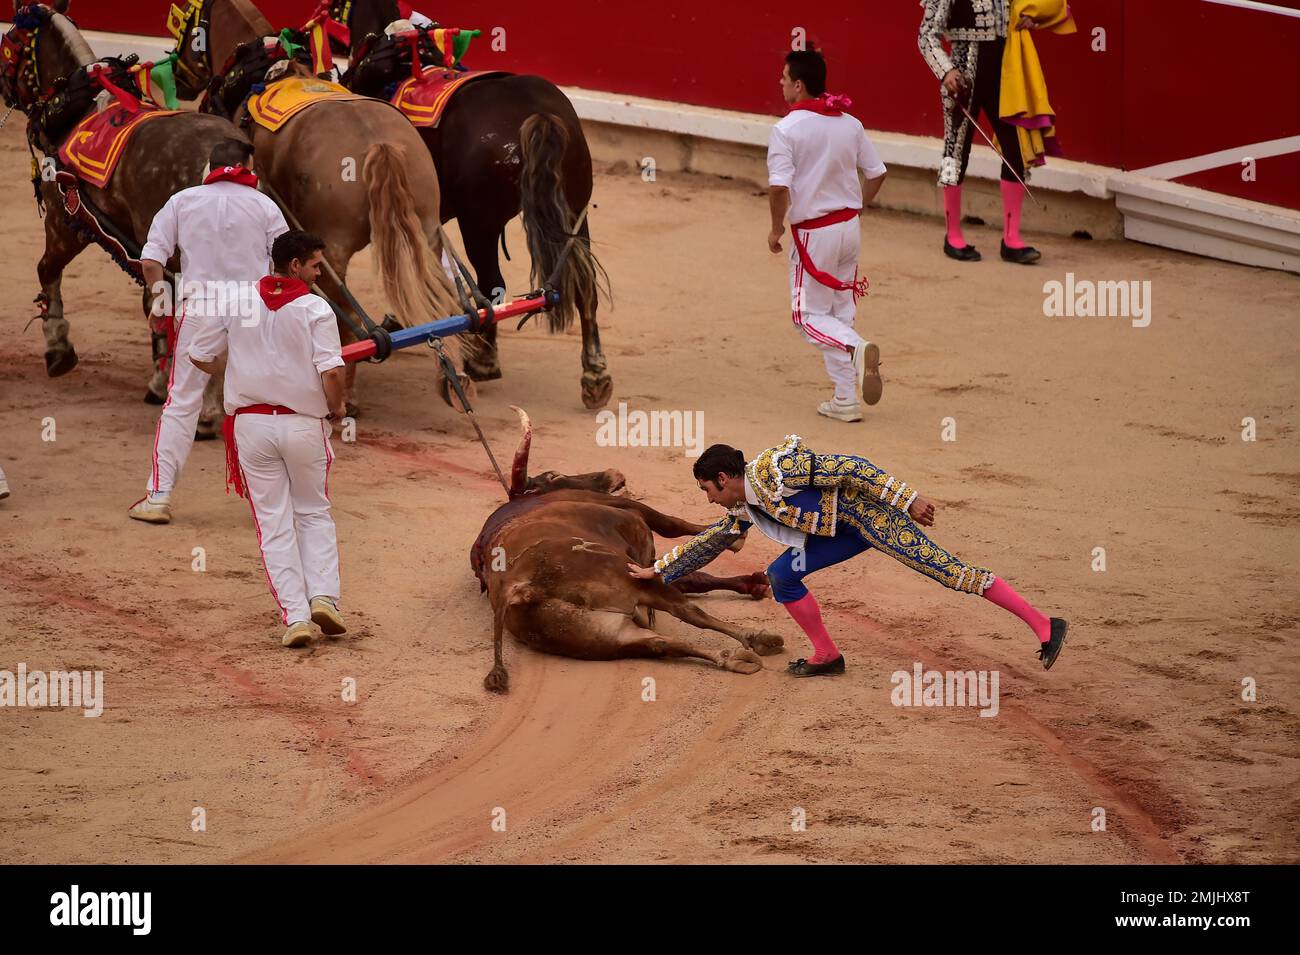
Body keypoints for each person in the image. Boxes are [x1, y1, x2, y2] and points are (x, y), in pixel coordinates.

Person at [628, 438, 1067, 677]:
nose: (708, 499)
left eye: (707, 489)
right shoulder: (743, 505)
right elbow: (709, 542)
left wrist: (907, 498)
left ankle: (1045, 625)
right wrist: (658, 571)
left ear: (722, 478)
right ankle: (826, 655)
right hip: (838, 534)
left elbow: (852, 466)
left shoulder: (777, 470)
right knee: (783, 576)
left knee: (950, 573)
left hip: (871, 517)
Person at [188, 230, 348, 648]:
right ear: (294, 266)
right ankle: (325, 598)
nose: (319, 272)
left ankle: (295, 617)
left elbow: (199, 354)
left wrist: (240, 369)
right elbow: (331, 371)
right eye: (315, 264)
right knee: (313, 513)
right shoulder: (317, 308)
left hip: (251, 427)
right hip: (302, 425)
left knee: (273, 524)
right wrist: (339, 407)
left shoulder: (237, 300)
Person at [129, 138, 288, 524]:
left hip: (200, 308)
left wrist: (159, 300)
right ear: (247, 165)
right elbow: (285, 263)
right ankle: (276, 503)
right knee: (260, 403)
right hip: (251, 310)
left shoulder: (183, 201)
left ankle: (159, 496)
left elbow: (152, 258)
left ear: (209, 166)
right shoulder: (265, 205)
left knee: (182, 402)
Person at [767, 47, 887, 424]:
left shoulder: (786, 129)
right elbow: (877, 172)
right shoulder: (849, 123)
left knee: (807, 316)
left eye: (785, 78)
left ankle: (857, 348)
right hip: (849, 228)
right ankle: (844, 398)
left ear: (799, 85)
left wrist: (775, 228)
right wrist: (857, 207)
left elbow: (777, 188)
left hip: (815, 235)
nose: (780, 83)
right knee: (838, 313)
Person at [918, 0, 1045, 264]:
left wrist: (1032, 19)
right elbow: (926, 35)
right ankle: (952, 235)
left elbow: (1024, 13)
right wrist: (946, 70)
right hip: (963, 73)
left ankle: (1012, 239)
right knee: (956, 150)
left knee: (1014, 147)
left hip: (1006, 69)